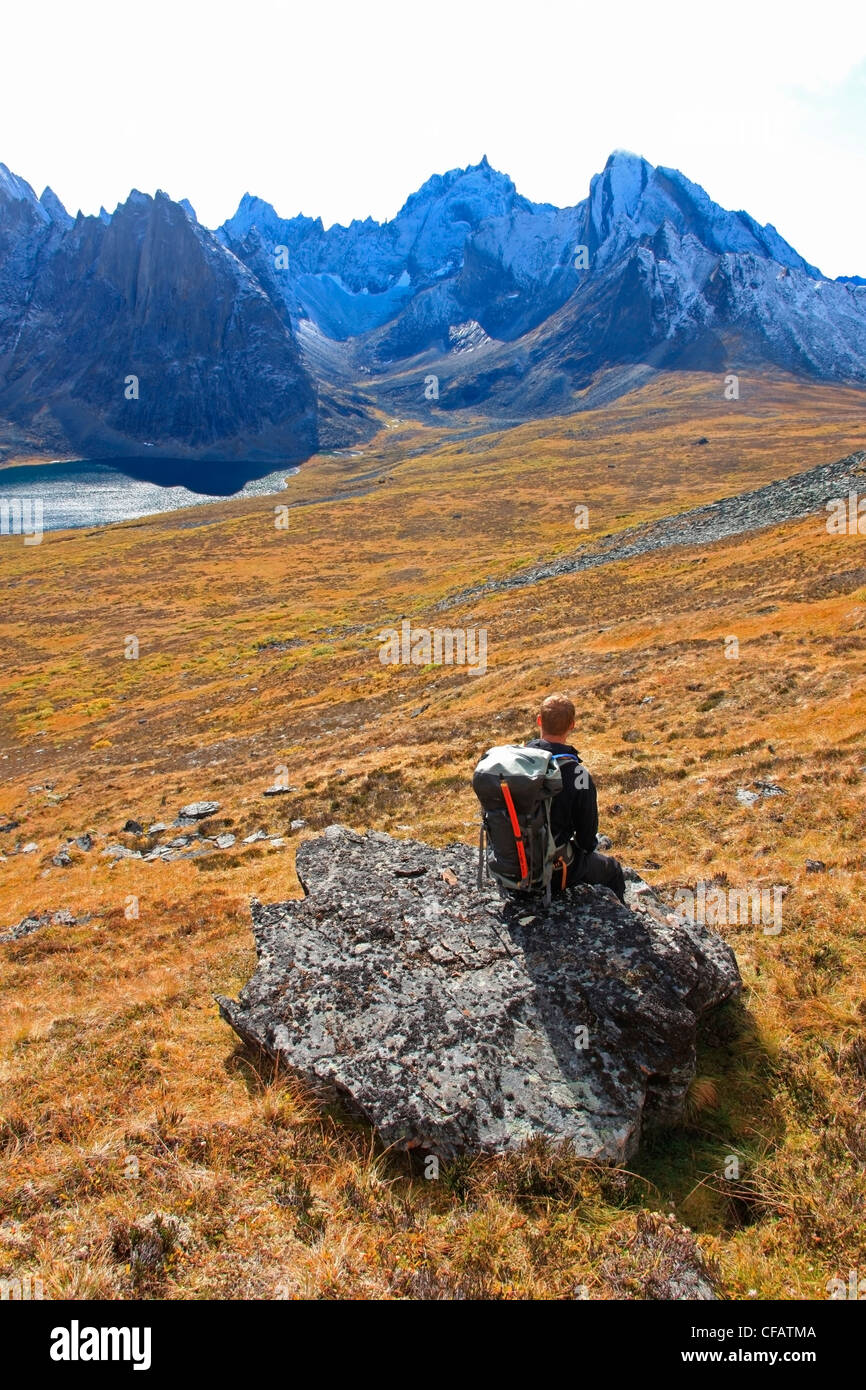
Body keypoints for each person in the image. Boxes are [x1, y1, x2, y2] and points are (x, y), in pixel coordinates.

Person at [527, 692, 626, 902]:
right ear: (572, 725)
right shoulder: (578, 775)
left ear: (539, 720)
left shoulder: (518, 763)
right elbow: (586, 839)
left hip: (510, 861)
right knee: (614, 871)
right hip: (552, 871)